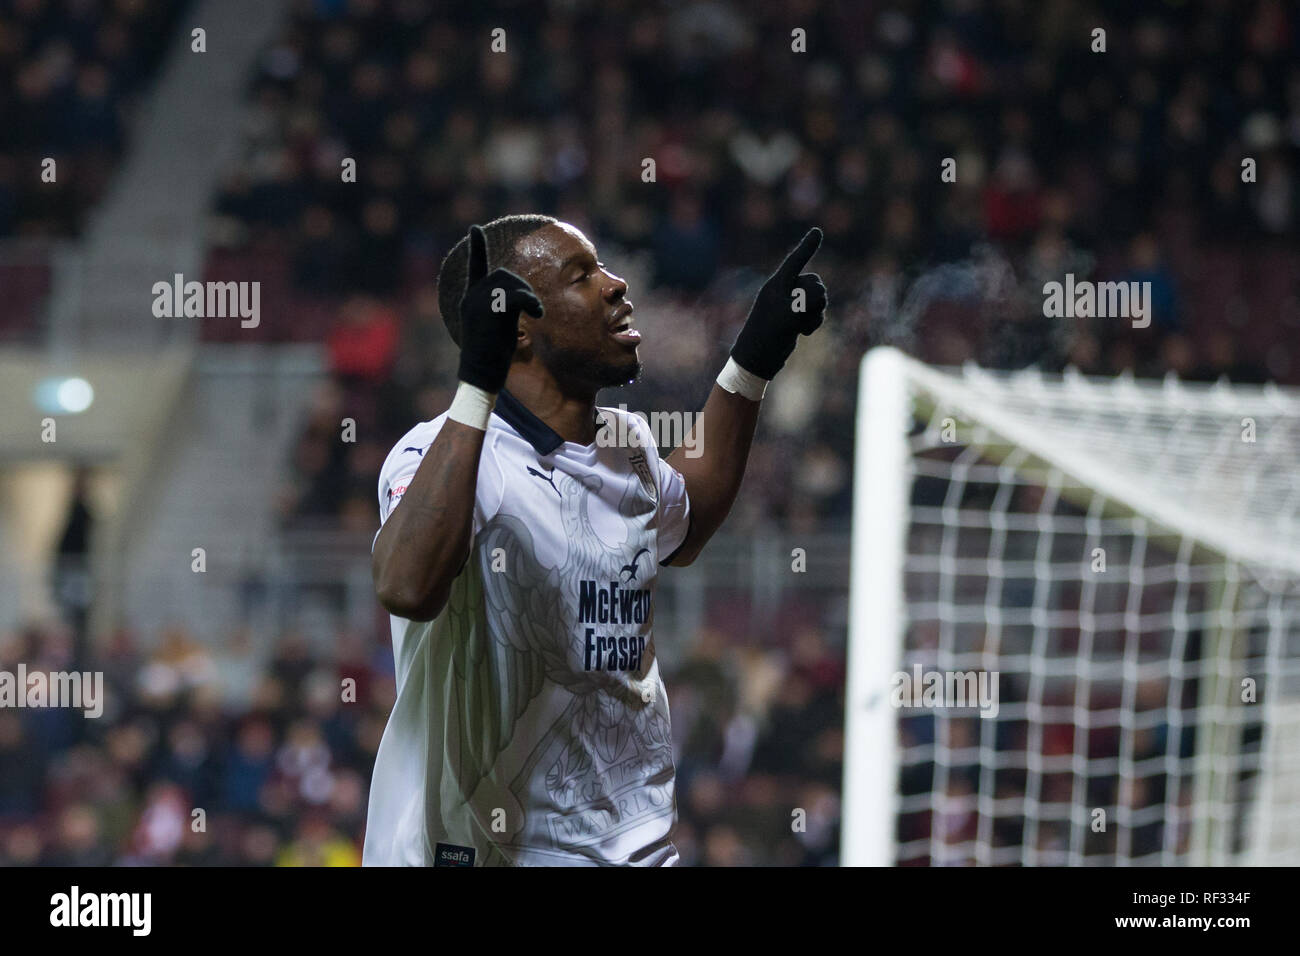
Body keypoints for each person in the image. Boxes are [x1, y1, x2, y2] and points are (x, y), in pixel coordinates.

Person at [363, 214, 826, 866]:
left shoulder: (624, 444)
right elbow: (405, 584)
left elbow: (688, 518)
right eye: (582, 276)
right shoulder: (440, 453)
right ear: (518, 324)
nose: (616, 284)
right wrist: (477, 384)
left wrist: (753, 357)